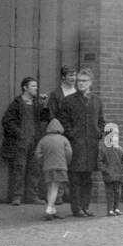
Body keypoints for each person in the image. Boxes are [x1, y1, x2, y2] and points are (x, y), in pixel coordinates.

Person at [58, 69, 105, 218]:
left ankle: (85, 207)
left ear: (91, 83)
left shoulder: (97, 101)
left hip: (91, 145)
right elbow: (63, 121)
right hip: (75, 144)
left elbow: (101, 120)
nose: (81, 84)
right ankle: (76, 209)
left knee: (87, 178)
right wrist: (72, 134)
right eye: (79, 81)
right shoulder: (68, 101)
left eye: (84, 81)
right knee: (75, 177)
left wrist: (98, 132)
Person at [1, 77, 45, 206]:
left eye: (36, 86)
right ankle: (17, 197)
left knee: (34, 169)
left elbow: (44, 118)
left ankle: (32, 196)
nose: (36, 88)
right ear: (25, 88)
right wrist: (19, 134)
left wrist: (43, 105)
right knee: (19, 169)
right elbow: (7, 121)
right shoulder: (16, 103)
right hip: (20, 143)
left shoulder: (37, 103)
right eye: (33, 86)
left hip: (35, 141)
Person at [44, 65, 78, 206]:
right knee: (60, 166)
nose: (73, 78)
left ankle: (70, 194)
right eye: (70, 75)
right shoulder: (56, 94)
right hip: (62, 134)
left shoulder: (78, 92)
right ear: (63, 77)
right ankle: (58, 196)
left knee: (74, 164)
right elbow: (52, 115)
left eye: (74, 75)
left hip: (76, 134)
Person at [34, 119, 72, 221]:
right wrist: (66, 162)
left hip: (47, 168)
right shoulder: (64, 139)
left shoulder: (43, 140)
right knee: (55, 188)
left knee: (50, 188)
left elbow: (38, 154)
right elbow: (69, 153)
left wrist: (43, 162)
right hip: (60, 167)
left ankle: (53, 210)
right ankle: (49, 209)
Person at [99, 123, 123, 216]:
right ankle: (110, 209)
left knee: (117, 193)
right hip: (109, 174)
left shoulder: (119, 149)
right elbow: (100, 161)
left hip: (118, 174)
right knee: (110, 193)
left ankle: (116, 208)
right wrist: (105, 170)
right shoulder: (104, 149)